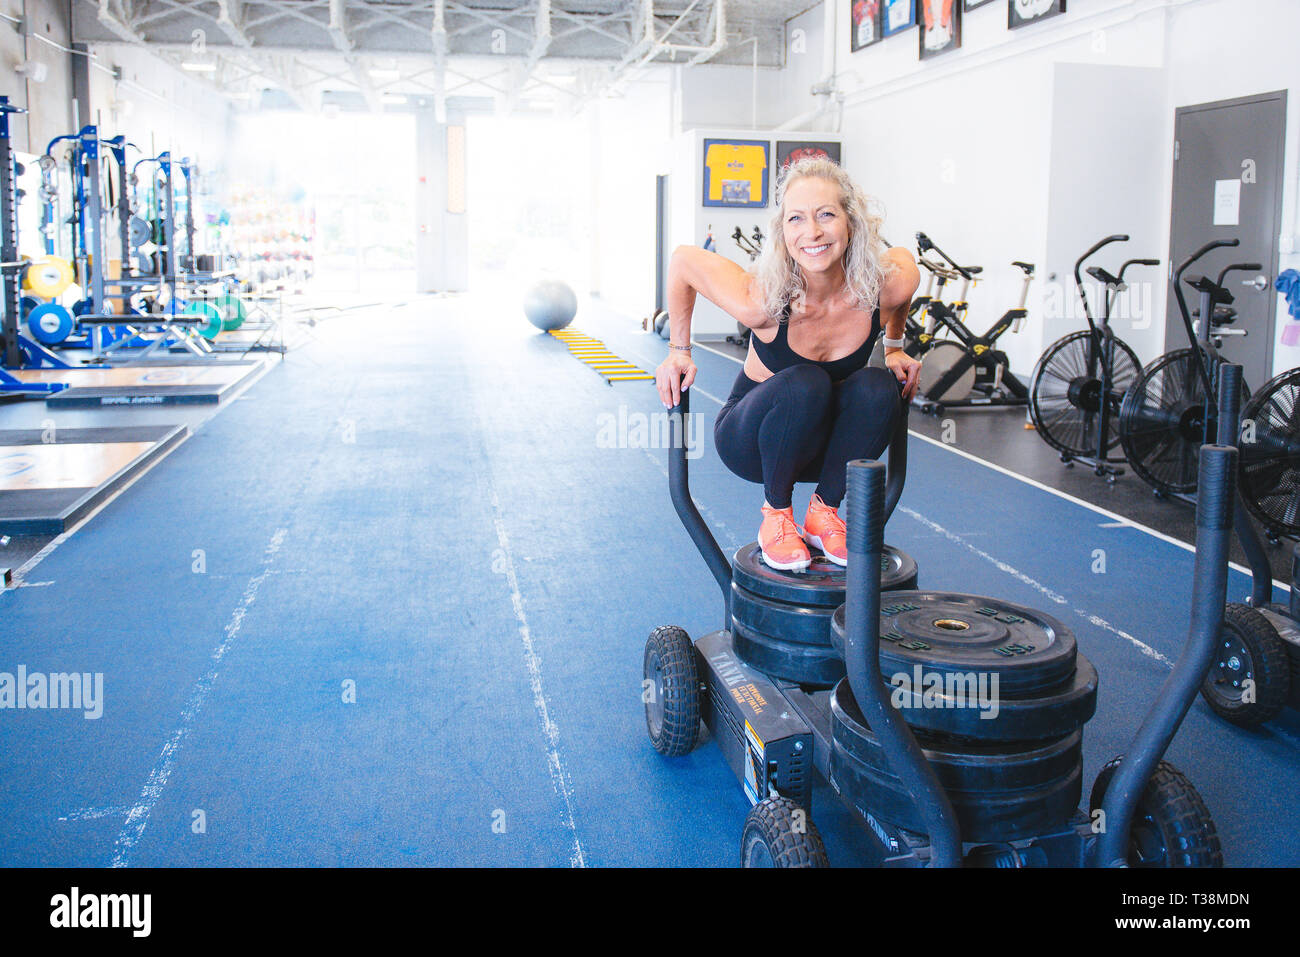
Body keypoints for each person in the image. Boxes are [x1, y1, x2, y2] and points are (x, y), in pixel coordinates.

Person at [654, 156, 921, 572]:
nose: (812, 232)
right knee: (805, 382)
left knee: (878, 385)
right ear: (783, 231)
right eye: (796, 219)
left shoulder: (882, 288)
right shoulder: (761, 299)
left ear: (852, 223)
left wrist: (895, 347)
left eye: (826, 215)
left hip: (829, 447)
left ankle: (823, 512)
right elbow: (684, 261)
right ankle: (776, 517)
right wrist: (678, 351)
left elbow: (906, 263)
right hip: (754, 442)